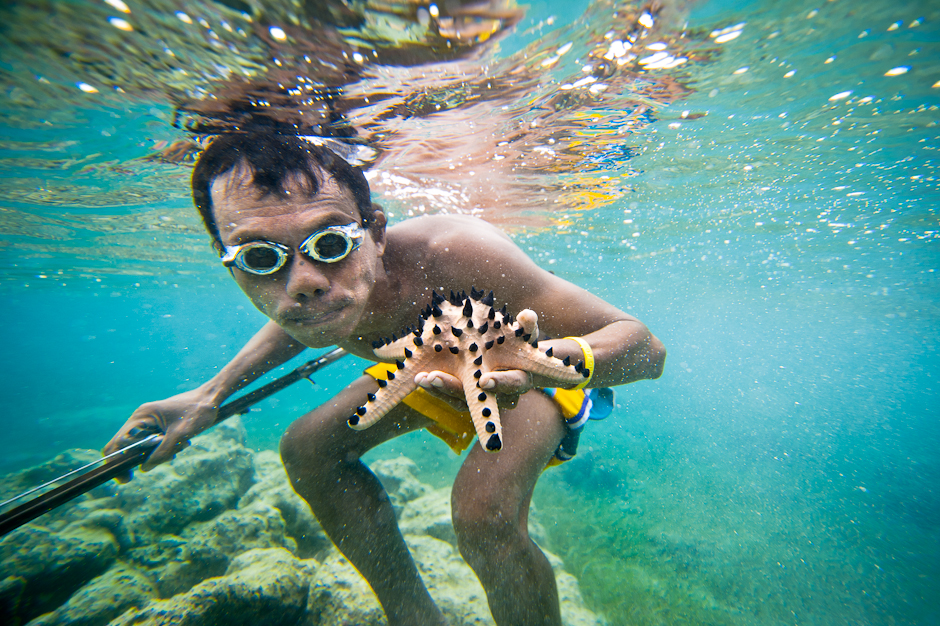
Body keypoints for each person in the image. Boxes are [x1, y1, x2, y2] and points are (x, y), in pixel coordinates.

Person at [104, 131, 666, 626]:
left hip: (526, 369)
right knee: (308, 449)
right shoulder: (322, 293)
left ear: (374, 231)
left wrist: (535, 359)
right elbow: (301, 319)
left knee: (482, 516)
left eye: (330, 245)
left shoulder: (455, 252)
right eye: (259, 258)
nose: (303, 282)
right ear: (226, 258)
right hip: (427, 365)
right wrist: (209, 396)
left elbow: (646, 348)